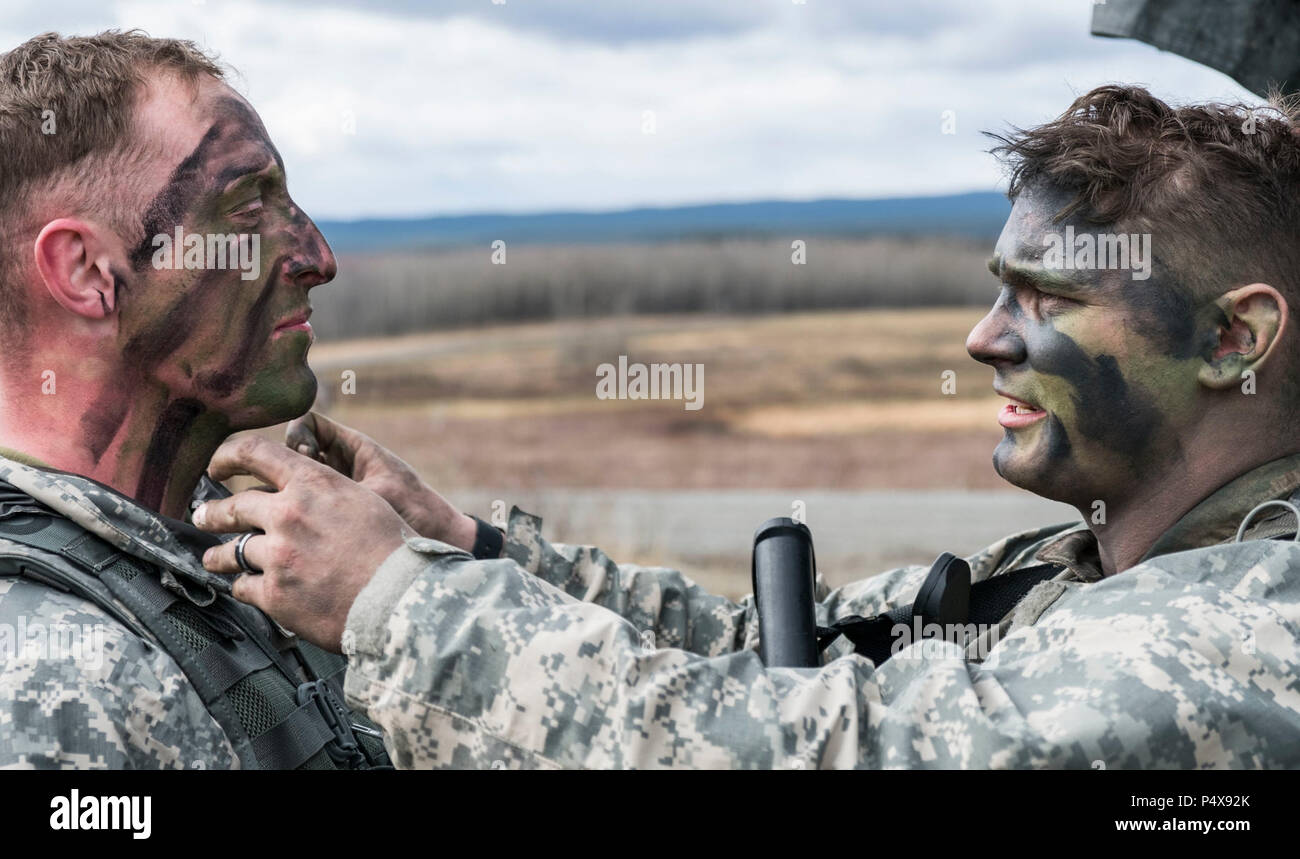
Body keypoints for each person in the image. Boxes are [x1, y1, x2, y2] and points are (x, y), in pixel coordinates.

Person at [194, 85, 1300, 769]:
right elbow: (767, 653)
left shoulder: (1245, 639)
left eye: (1046, 300)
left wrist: (395, 601)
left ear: (1231, 339)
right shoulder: (1091, 571)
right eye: (998, 290)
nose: (984, 339)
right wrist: (465, 544)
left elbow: (806, 748)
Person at [0, 31, 391, 768]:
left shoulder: (253, 560)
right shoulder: (49, 673)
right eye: (246, 211)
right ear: (87, 272)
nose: (316, 257)